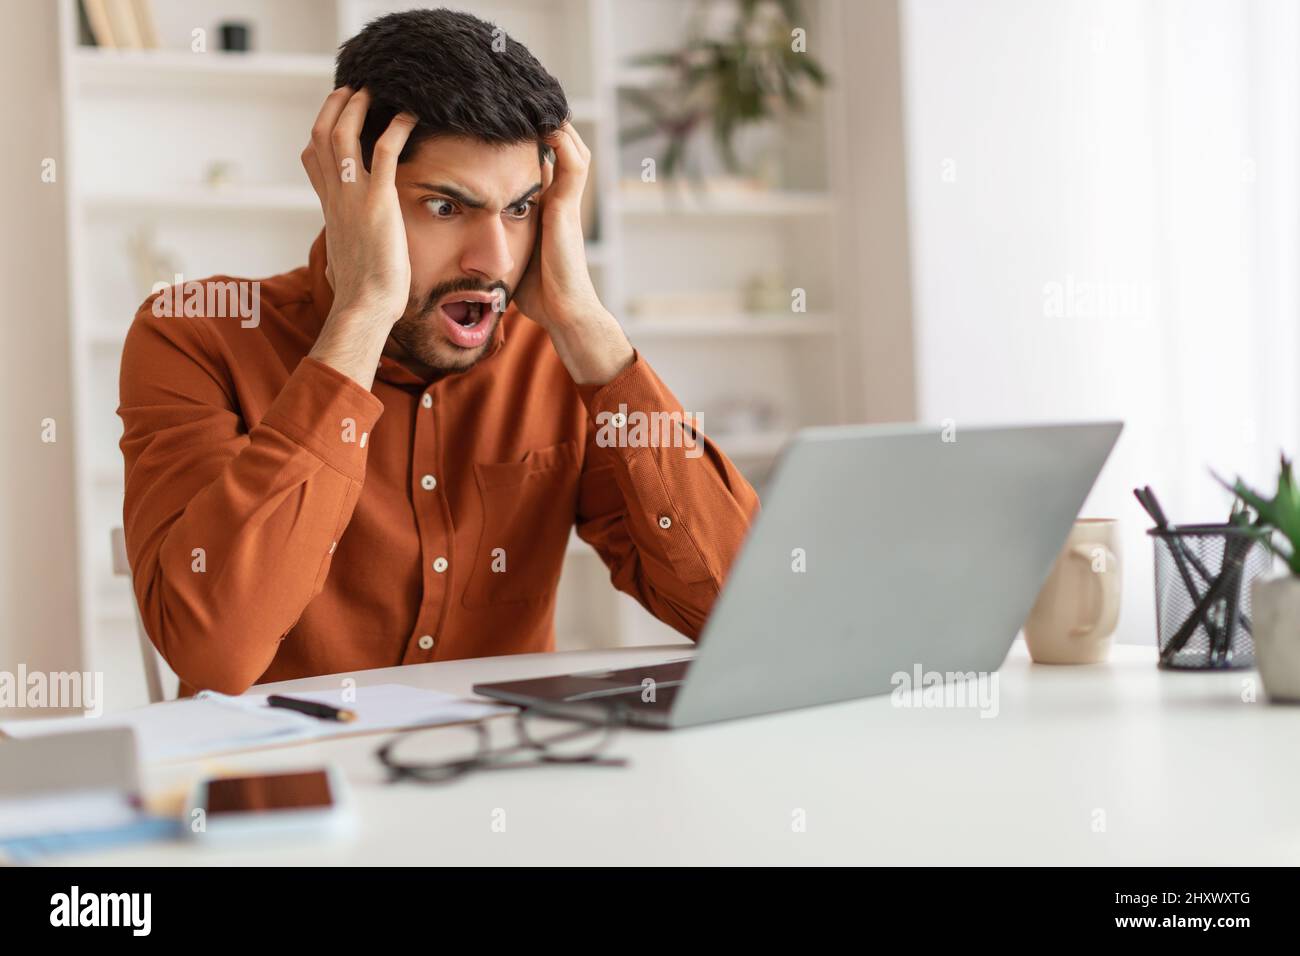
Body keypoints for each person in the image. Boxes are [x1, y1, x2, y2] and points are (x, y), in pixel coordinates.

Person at [118, 8, 760, 696]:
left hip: (500, 785)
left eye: (519, 210)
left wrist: (588, 327)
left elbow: (750, 621)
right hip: (292, 789)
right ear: (348, 193)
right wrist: (364, 314)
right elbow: (216, 654)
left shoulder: (557, 357)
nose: (494, 261)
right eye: (446, 208)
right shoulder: (194, 334)